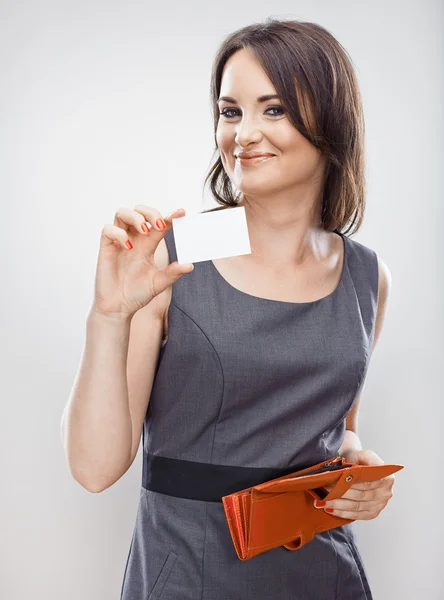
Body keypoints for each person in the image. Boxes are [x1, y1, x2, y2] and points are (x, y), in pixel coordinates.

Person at [61, 18, 397, 600]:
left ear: (331, 122)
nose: (242, 133)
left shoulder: (367, 275)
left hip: (322, 574)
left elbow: (336, 433)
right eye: (230, 110)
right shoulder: (175, 255)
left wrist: (358, 471)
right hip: (188, 574)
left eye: (273, 110)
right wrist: (108, 318)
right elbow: (95, 469)